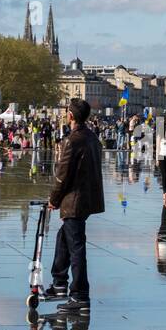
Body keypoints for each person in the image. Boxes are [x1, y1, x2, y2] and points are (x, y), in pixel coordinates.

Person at [43, 98, 105, 312]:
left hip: (74, 199)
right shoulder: (91, 137)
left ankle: (80, 295)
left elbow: (63, 175)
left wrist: (54, 199)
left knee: (76, 247)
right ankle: (60, 282)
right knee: (64, 237)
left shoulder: (73, 140)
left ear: (70, 115)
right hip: (87, 198)